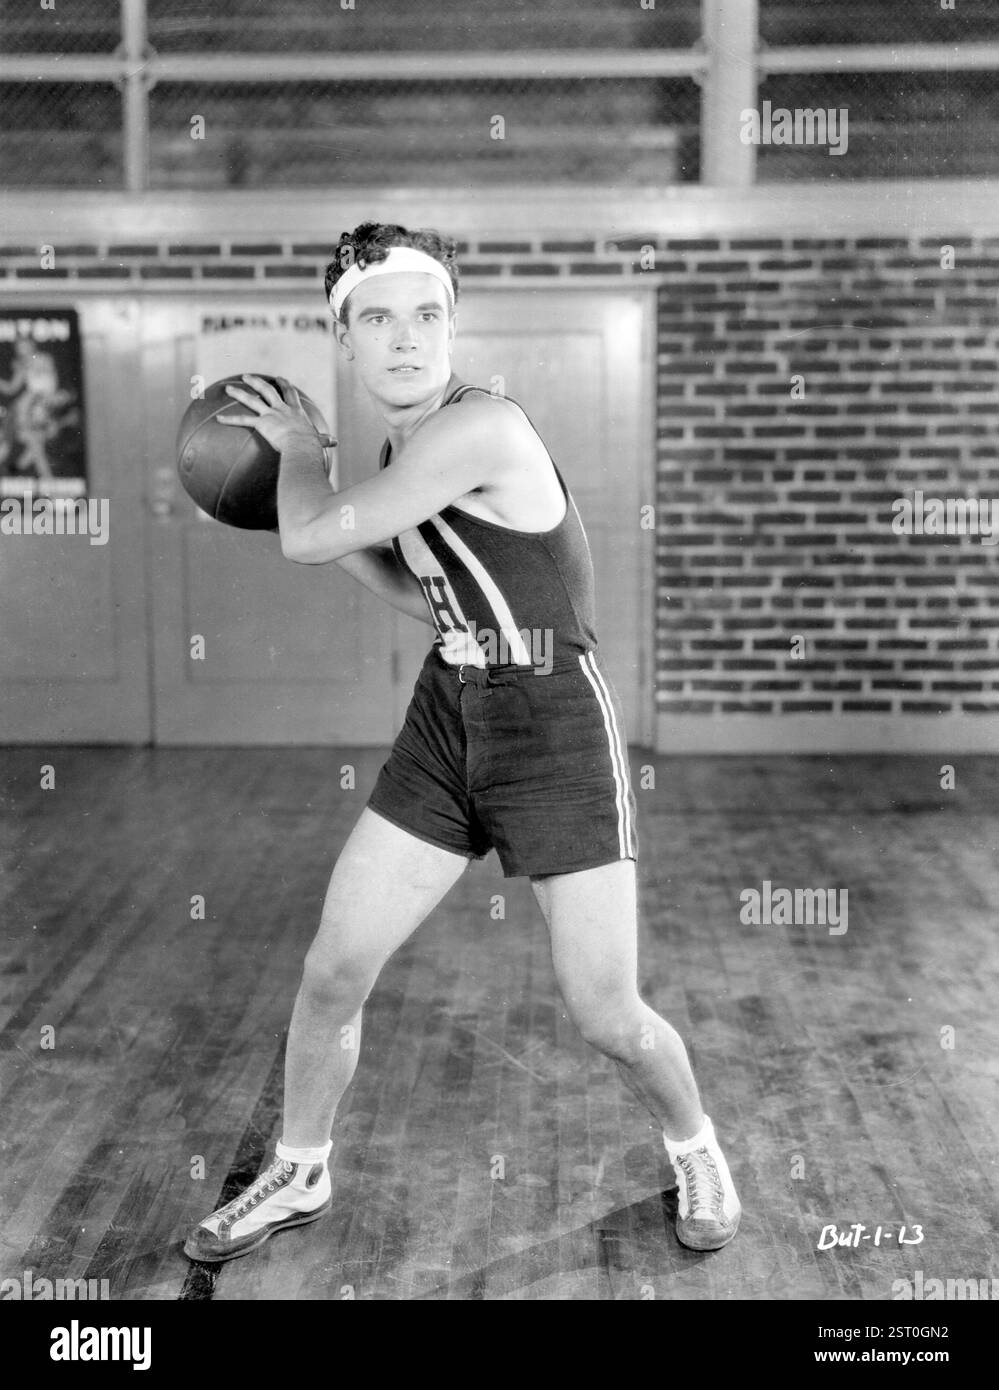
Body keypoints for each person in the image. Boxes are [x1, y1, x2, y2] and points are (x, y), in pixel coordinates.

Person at [184, 222, 741, 1265]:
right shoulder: (406, 453)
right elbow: (418, 590)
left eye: (429, 314)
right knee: (333, 967)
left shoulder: (479, 427)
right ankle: (300, 1166)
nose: (408, 338)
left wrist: (303, 464)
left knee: (606, 1012)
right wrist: (331, 513)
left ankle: (697, 1144)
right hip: (453, 711)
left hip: (553, 727)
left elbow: (309, 531)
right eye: (379, 319)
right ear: (343, 340)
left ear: (453, 327)